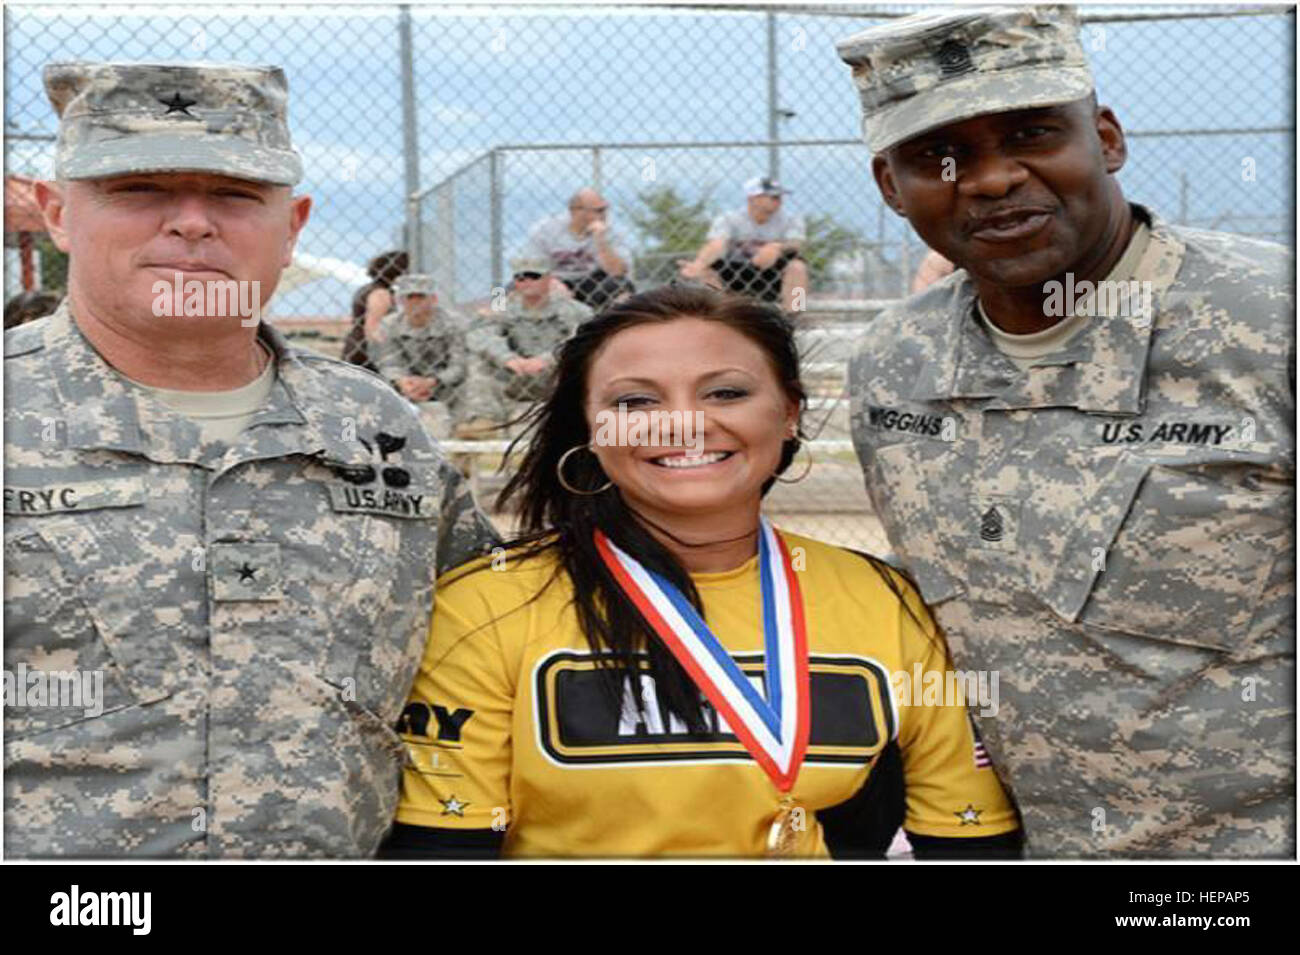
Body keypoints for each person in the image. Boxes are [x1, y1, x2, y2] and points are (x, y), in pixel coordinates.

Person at [5, 60, 499, 858]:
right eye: (139, 190)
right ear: (59, 213)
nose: (192, 223)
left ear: (293, 223)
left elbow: (489, 639)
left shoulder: (377, 426)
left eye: (235, 195)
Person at [836, 5, 1294, 857]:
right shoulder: (896, 364)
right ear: (890, 187)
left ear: (1108, 139)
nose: (990, 179)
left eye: (1032, 133)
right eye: (939, 156)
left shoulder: (1272, 323)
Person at [381, 285, 1021, 859]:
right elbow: (440, 847)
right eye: (635, 401)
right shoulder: (486, 605)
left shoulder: (888, 601)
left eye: (726, 392)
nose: (685, 422)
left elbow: (967, 839)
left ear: (790, 411)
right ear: (591, 429)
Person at [460, 254, 592, 435]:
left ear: (548, 280)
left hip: (554, 377)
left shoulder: (573, 309)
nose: (527, 282)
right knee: (477, 360)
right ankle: (484, 419)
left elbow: (583, 340)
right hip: (515, 374)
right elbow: (479, 334)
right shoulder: (502, 305)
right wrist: (508, 358)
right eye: (520, 277)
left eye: (534, 276)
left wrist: (547, 359)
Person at [678, 176, 808, 312]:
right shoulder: (729, 219)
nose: (778, 201)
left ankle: (795, 314)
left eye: (779, 197)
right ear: (753, 198)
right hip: (736, 270)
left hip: (772, 272)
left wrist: (777, 247)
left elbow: (796, 243)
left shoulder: (791, 219)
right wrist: (699, 263)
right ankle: (720, 314)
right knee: (705, 270)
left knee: (798, 267)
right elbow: (716, 244)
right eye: (773, 197)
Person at [372, 273, 469, 439]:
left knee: (472, 382)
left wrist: (432, 382)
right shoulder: (390, 325)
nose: (415, 302)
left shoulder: (454, 323)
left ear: (434, 299)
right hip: (407, 386)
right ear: (401, 301)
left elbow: (459, 365)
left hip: (448, 385)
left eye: (421, 297)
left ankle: (467, 429)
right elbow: (389, 362)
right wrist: (403, 382)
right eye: (410, 297)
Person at [522, 187, 634, 312]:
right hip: (556, 280)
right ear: (576, 211)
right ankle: (499, 326)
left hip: (593, 282)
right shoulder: (546, 230)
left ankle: (615, 327)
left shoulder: (610, 232)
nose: (604, 215)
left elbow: (618, 272)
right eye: (599, 210)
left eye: (605, 209)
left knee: (621, 287)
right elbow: (532, 266)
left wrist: (601, 241)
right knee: (510, 288)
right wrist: (550, 283)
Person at [342, 248, 407, 370]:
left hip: (357, 347)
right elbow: (373, 329)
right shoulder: (381, 293)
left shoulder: (368, 288)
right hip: (367, 352)